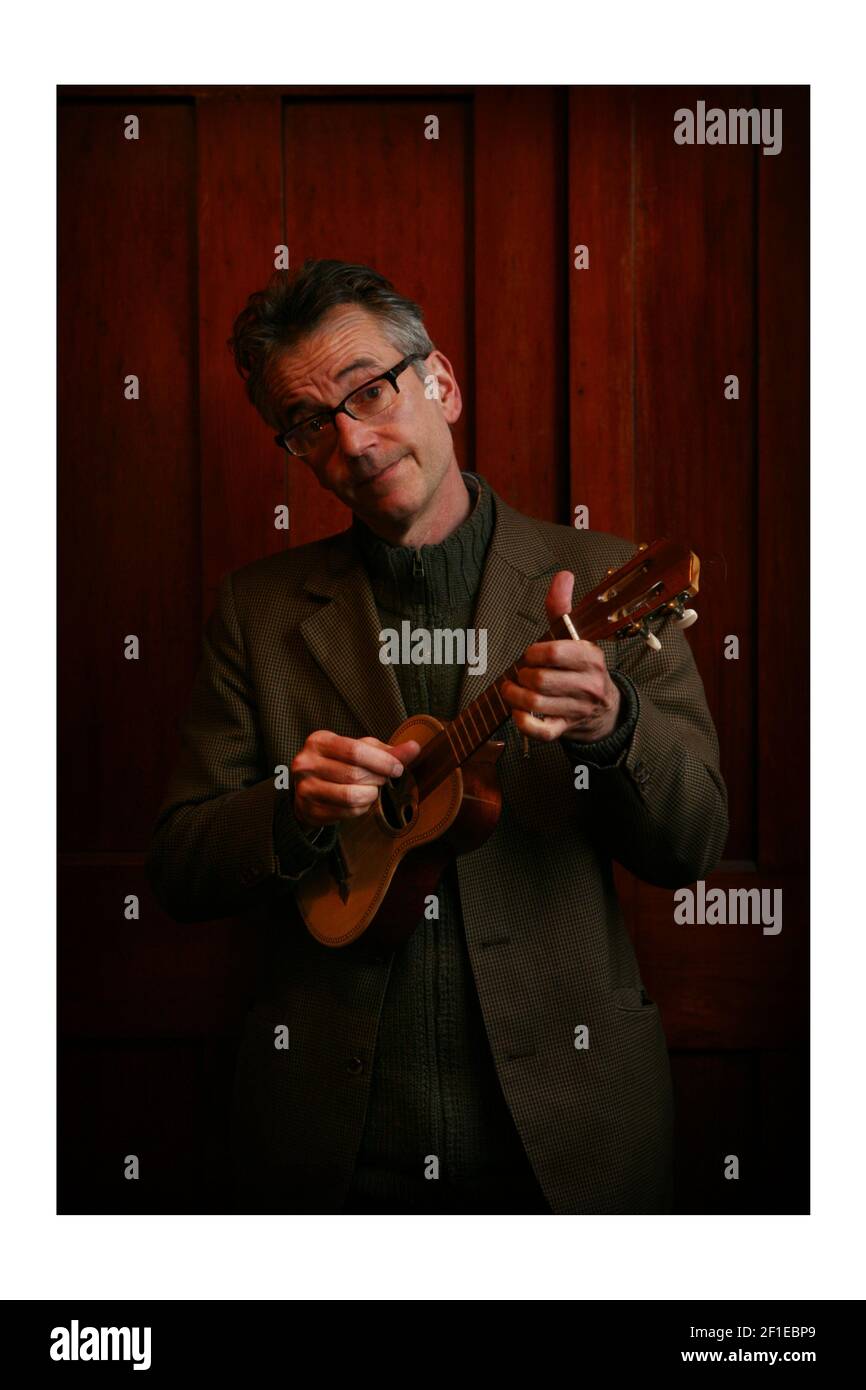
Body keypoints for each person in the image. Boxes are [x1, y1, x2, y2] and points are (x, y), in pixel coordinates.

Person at [145, 259, 728, 1215]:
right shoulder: (257, 612)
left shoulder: (603, 579)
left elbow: (695, 841)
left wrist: (614, 731)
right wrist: (290, 809)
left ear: (441, 383)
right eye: (308, 422)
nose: (354, 441)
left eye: (369, 389)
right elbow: (178, 866)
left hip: (569, 1142)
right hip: (328, 1146)